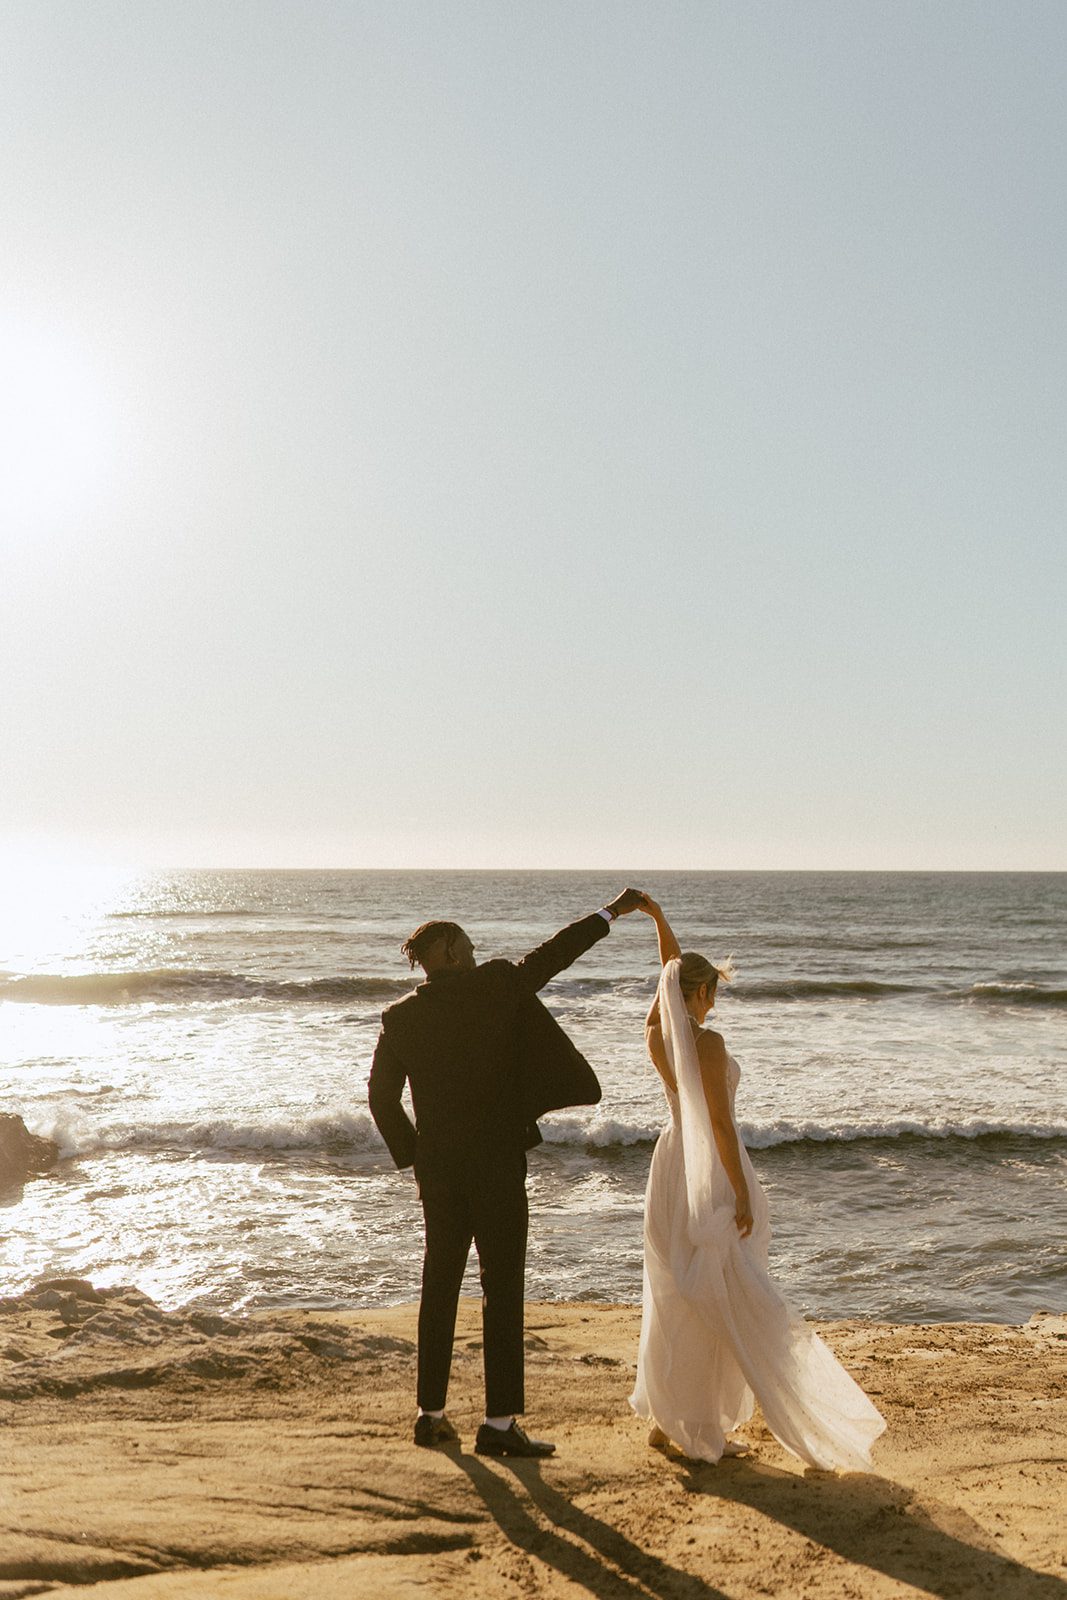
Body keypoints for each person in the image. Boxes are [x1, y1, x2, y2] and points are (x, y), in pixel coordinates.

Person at [369, 887, 646, 1456]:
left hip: (439, 1172)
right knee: (502, 1289)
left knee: (438, 1286)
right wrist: (609, 913)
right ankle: (498, 1427)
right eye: (463, 942)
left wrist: (416, 1154)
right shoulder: (495, 985)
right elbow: (552, 955)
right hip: (496, 1163)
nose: (472, 948)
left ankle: (430, 1415)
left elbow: (380, 1098)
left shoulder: (400, 1017)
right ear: (445, 951)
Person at [630, 894, 885, 1470]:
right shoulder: (709, 1044)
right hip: (712, 1169)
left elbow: (664, 990)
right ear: (703, 994)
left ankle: (669, 1420)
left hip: (670, 1165)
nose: (714, 1002)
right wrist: (742, 1192)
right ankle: (696, 1427)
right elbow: (719, 1123)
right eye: (712, 991)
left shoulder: (659, 1038)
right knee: (724, 1292)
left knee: (675, 1291)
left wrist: (658, 920)